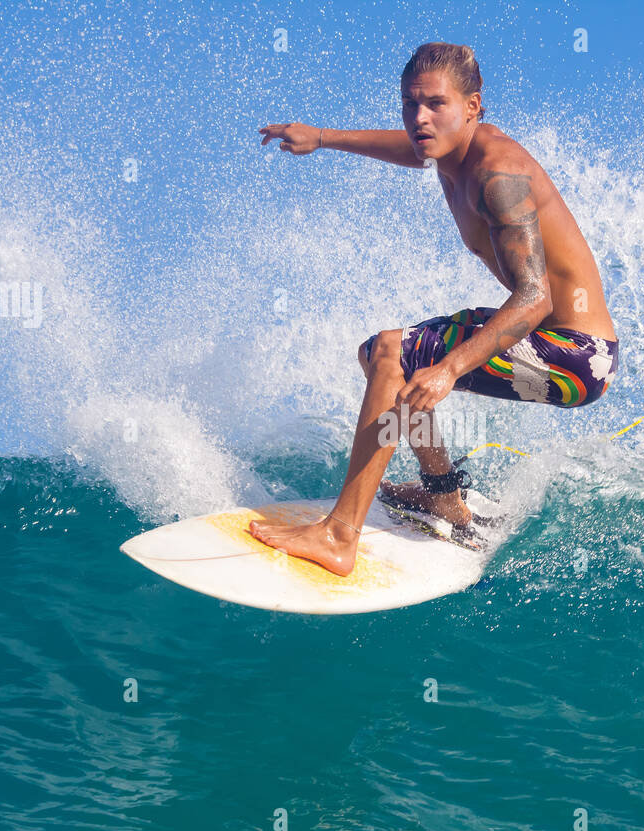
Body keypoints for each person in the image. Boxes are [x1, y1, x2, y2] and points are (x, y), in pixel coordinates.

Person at [250, 41, 619, 576]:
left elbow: (536, 297)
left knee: (394, 354)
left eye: (435, 105)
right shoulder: (449, 150)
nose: (419, 119)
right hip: (554, 347)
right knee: (380, 355)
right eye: (409, 104)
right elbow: (411, 149)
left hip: (576, 357)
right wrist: (321, 138)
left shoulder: (499, 175)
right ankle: (444, 497)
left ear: (472, 106)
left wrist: (451, 369)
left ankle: (339, 535)